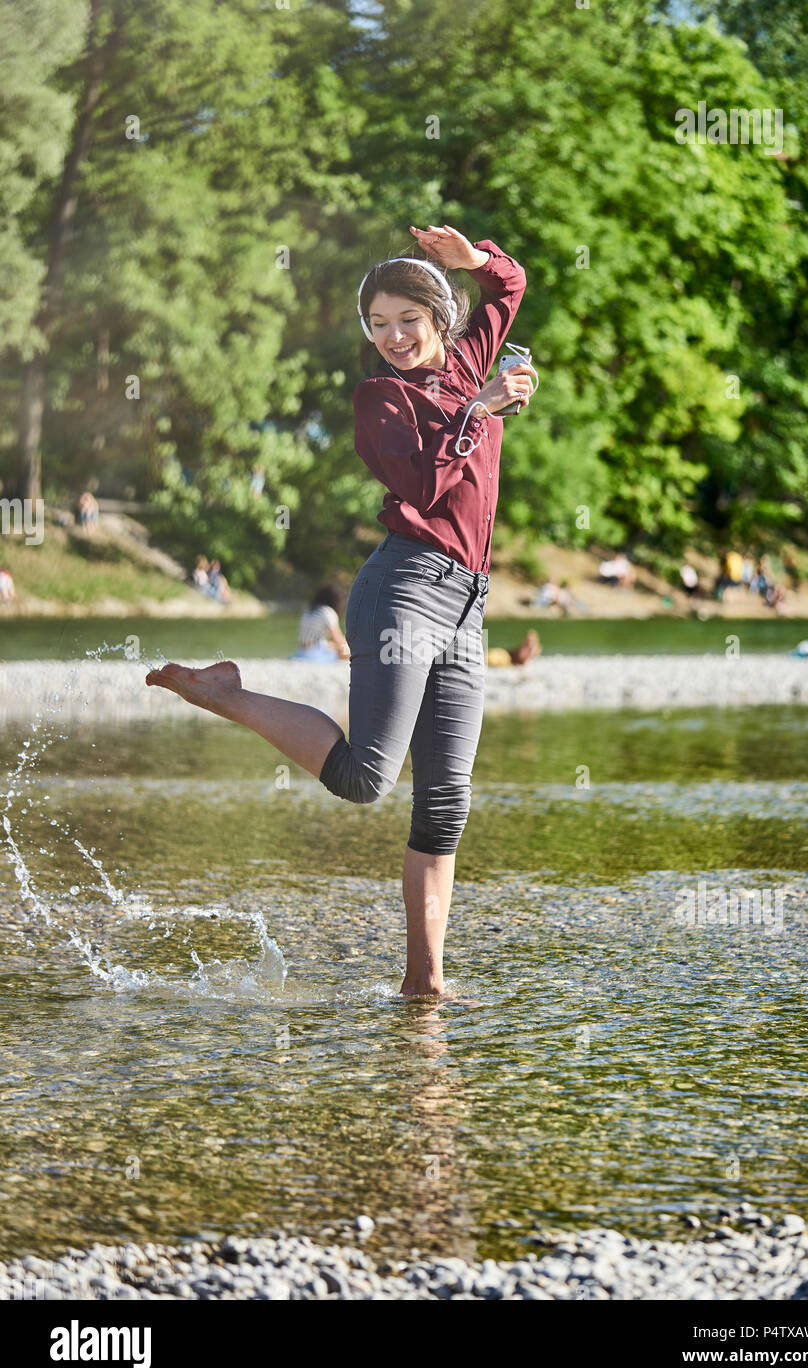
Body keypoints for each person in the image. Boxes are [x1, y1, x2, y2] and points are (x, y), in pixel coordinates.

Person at [146, 221, 532, 998]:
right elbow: (423, 487)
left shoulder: (463, 367)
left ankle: (423, 984)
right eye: (378, 323)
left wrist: (476, 260)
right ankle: (226, 693)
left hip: (466, 603)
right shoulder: (379, 399)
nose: (392, 336)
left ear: (441, 319)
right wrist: (481, 411)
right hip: (403, 591)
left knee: (447, 802)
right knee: (364, 779)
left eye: (407, 320)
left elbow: (510, 286)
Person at [294, 585, 350, 661]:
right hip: (315, 653)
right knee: (346, 650)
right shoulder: (327, 612)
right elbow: (338, 639)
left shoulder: (308, 611)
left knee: (332, 645)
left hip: (301, 651)